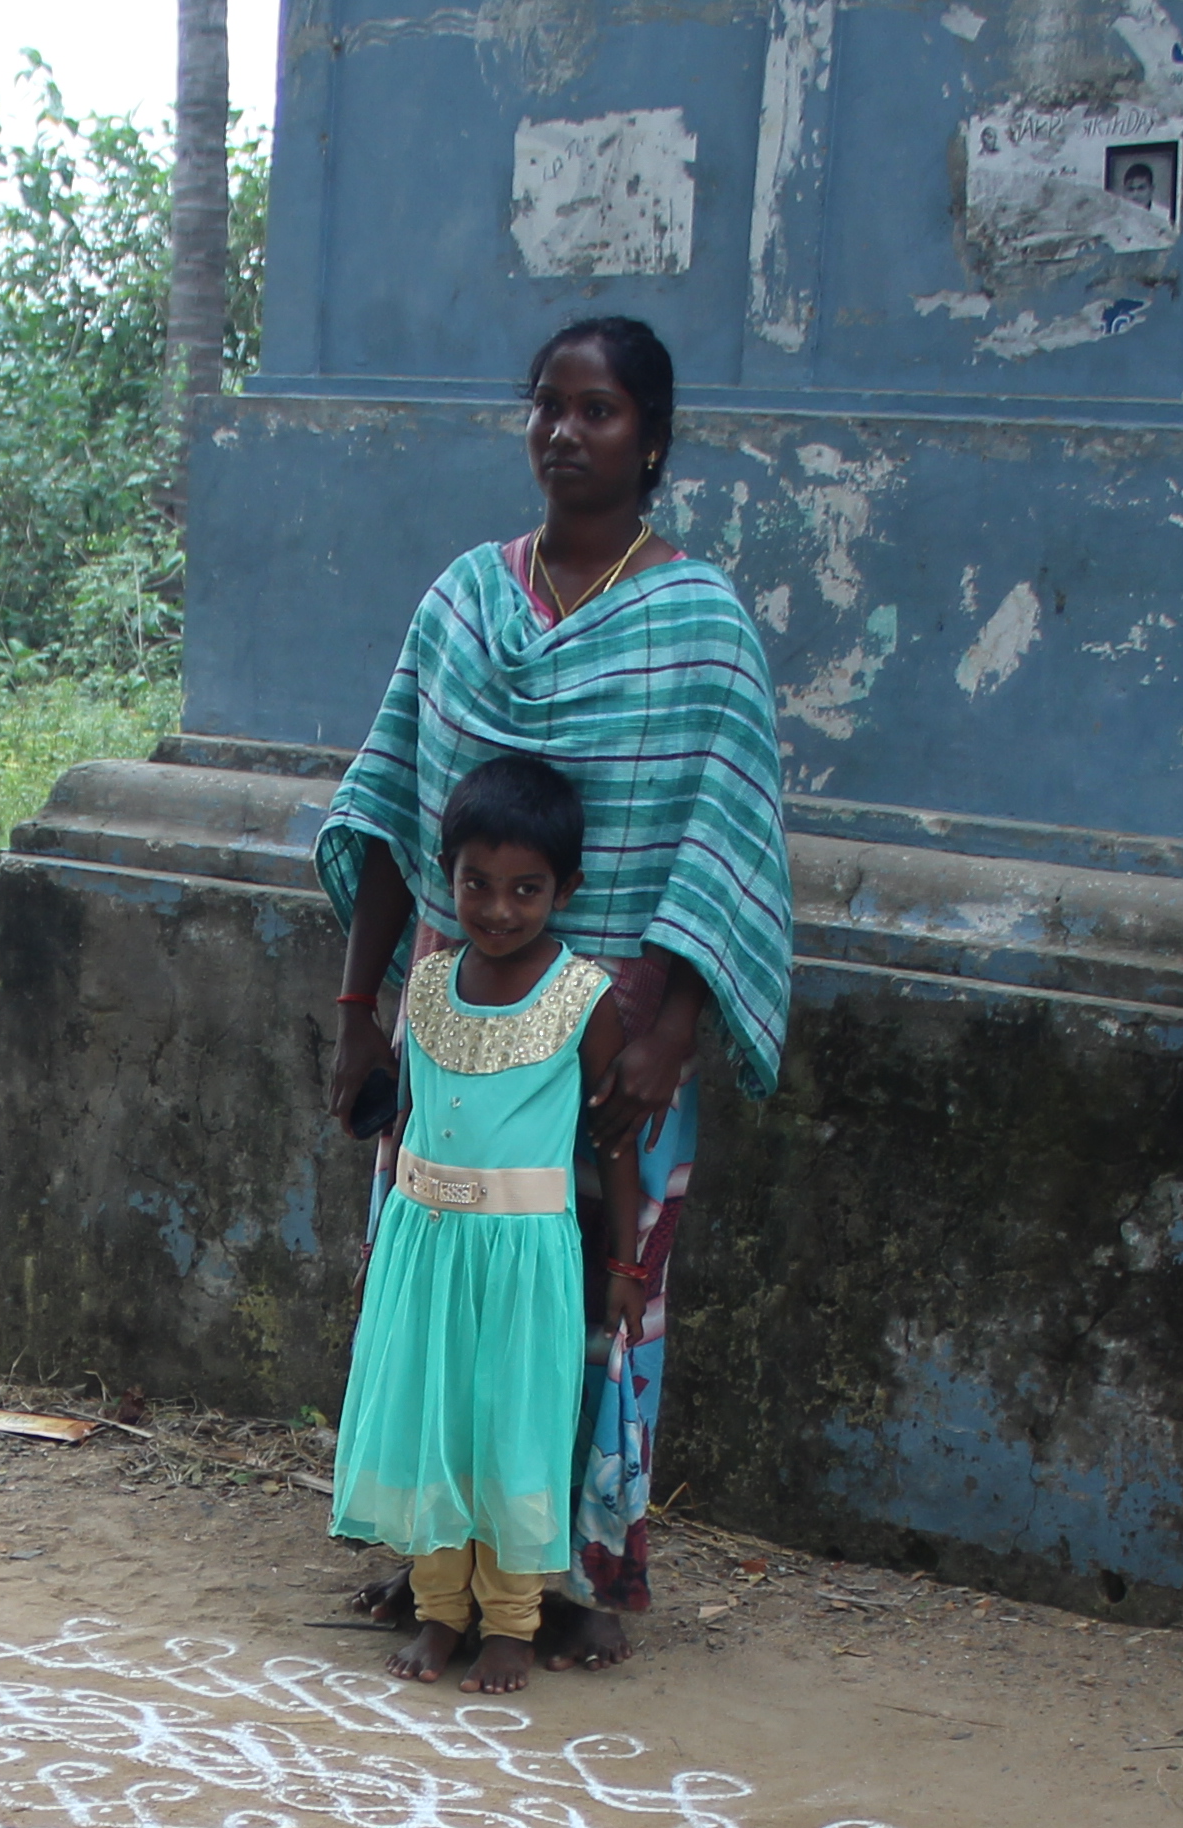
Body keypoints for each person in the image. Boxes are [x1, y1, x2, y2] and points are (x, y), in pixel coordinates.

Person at [316, 313, 798, 1667]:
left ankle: (576, 1573)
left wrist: (676, 1032)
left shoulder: (698, 624)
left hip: (614, 1048)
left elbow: (731, 839)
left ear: (651, 439)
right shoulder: (465, 601)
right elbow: (392, 815)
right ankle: (433, 1562)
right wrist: (359, 1023)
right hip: (453, 1053)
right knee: (439, 1308)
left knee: (592, 1314)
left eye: (597, 411)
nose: (564, 432)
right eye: (547, 406)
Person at [330, 755, 620, 1694]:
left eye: (526, 889)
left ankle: (512, 1621)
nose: (498, 909)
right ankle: (440, 1609)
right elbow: (409, 1119)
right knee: (434, 1424)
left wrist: (626, 1265)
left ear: (565, 889)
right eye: (477, 885)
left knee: (515, 1429)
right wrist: (385, 1240)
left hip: (527, 1256)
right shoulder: (428, 987)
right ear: (445, 878)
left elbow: (611, 1145)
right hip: (425, 1243)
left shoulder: (586, 1000)